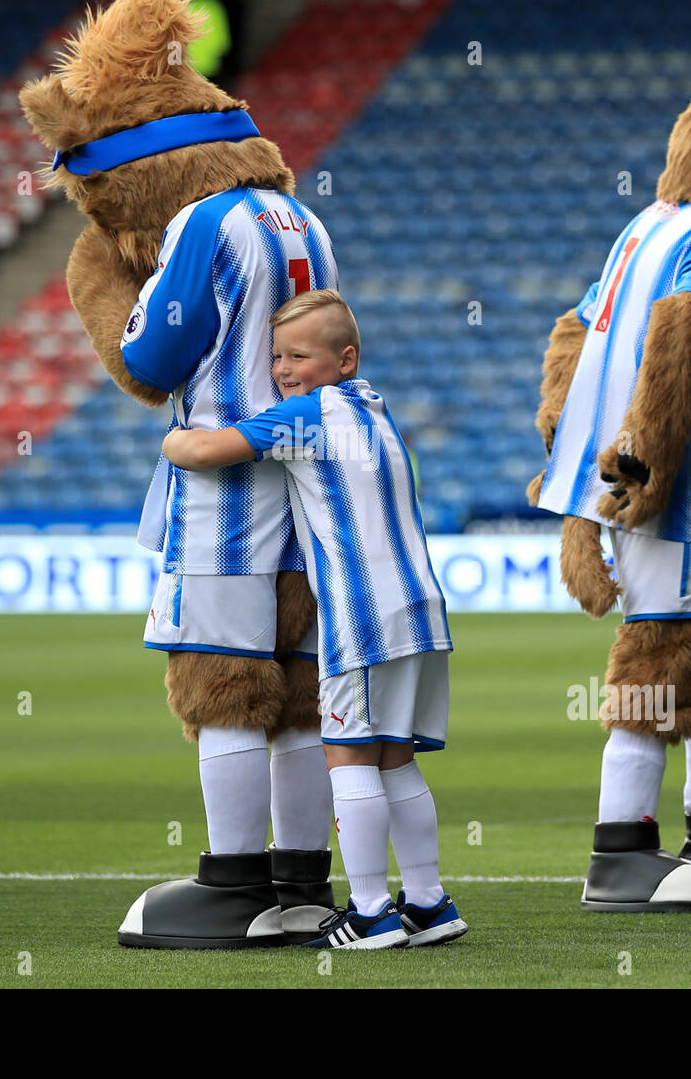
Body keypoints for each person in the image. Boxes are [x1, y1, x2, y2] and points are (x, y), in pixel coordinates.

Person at [163, 289, 467, 949]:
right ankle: (428, 902)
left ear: (345, 358)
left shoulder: (309, 416)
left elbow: (207, 451)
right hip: (422, 608)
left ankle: (368, 913)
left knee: (349, 758)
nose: (282, 369)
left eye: (299, 354)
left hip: (363, 615)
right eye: (276, 356)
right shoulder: (376, 408)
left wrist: (173, 436)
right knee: (395, 760)